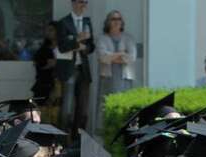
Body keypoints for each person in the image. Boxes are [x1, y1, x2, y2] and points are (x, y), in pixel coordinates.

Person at [55, 0, 94, 135]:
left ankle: (78, 140)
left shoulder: (87, 21)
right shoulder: (63, 22)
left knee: (82, 109)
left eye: (85, 2)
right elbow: (62, 46)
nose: (82, 5)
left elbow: (91, 46)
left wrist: (85, 48)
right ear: (73, 3)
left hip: (83, 70)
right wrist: (77, 39)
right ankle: (62, 141)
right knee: (67, 109)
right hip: (69, 70)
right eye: (79, 2)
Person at [96, 9, 136, 98]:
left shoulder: (129, 38)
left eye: (119, 19)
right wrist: (121, 54)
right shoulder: (102, 38)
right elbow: (102, 57)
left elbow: (132, 57)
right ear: (108, 22)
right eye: (113, 19)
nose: (116, 21)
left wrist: (111, 57)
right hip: (107, 78)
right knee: (106, 105)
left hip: (125, 78)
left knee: (124, 103)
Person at [31, 22, 58, 106]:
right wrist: (48, 64)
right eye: (47, 30)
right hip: (44, 84)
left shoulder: (63, 47)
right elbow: (37, 63)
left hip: (60, 84)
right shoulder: (43, 49)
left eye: (51, 30)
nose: (48, 33)